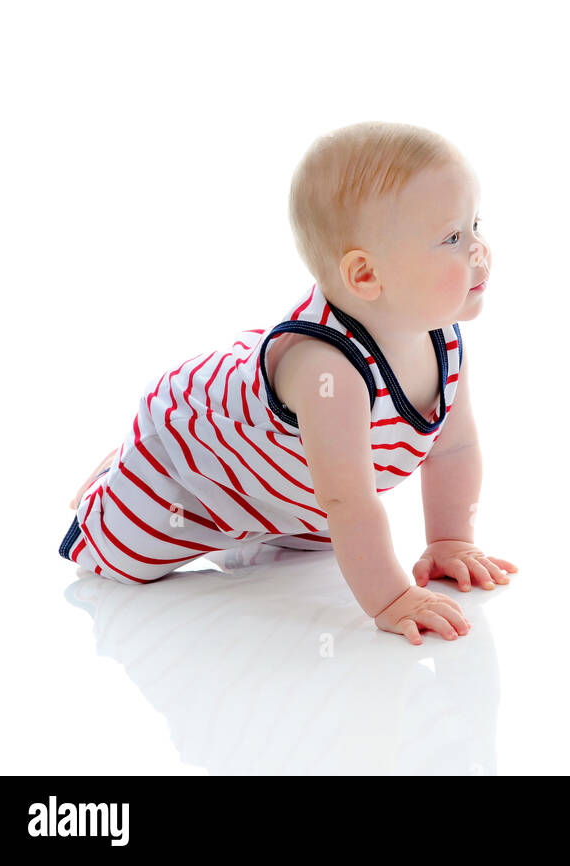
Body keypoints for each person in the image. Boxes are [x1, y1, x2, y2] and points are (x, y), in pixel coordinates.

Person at [60, 121, 516, 645]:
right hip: (191, 463)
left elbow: (453, 449)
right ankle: (118, 476)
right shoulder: (329, 371)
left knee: (311, 543)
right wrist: (392, 597)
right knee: (125, 561)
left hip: (290, 483)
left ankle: (258, 518)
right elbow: (348, 503)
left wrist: (451, 540)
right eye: (453, 238)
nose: (479, 249)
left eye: (475, 225)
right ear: (365, 276)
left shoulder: (442, 338)